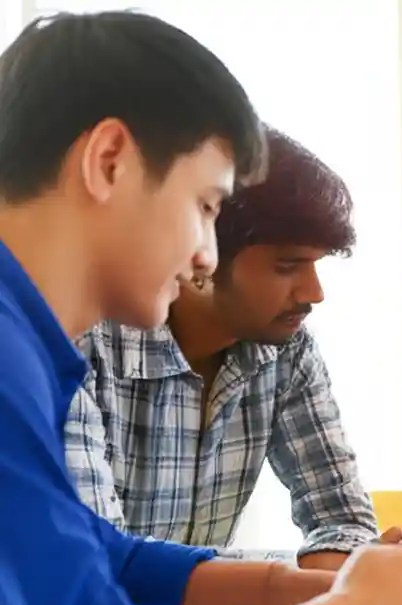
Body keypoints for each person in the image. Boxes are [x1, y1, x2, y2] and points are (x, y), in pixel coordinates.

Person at [0, 12, 402, 605]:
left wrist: (297, 592)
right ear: (109, 162)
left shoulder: (25, 344)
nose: (204, 254)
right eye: (204, 205)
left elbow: (103, 557)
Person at [64, 125, 380, 571]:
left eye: (316, 265)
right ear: (201, 256)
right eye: (288, 267)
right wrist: (306, 585)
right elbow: (98, 564)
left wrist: (344, 573)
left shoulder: (286, 351)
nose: (314, 292)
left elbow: (344, 520)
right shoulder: (82, 346)